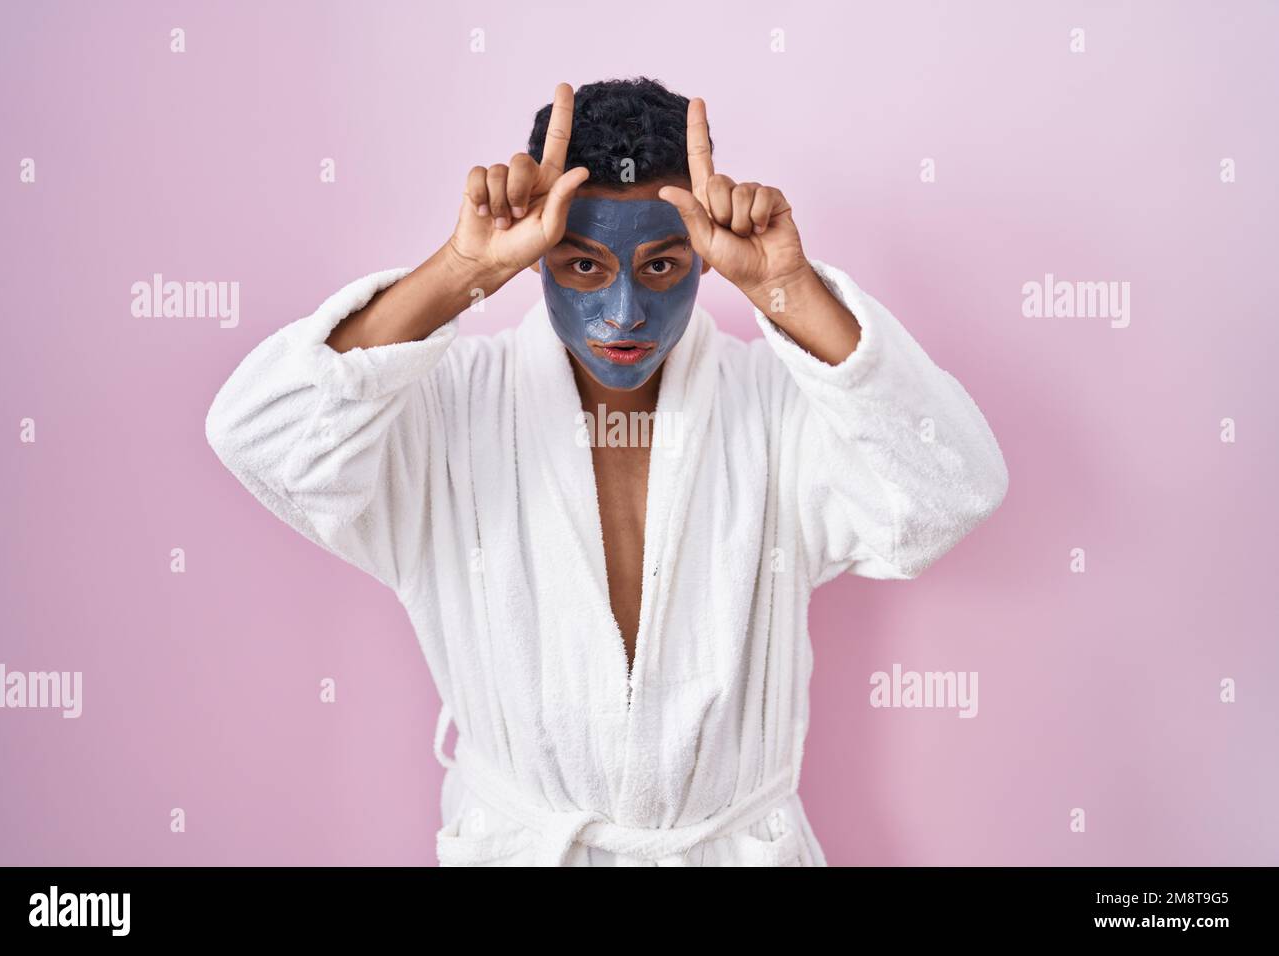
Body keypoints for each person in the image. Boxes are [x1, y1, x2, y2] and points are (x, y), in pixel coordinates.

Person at [204, 78, 1009, 866]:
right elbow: (261, 436)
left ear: (702, 262)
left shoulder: (778, 409)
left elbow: (951, 492)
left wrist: (788, 291)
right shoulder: (444, 415)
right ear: (535, 260)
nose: (623, 313)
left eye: (661, 266)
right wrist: (457, 270)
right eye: (584, 266)